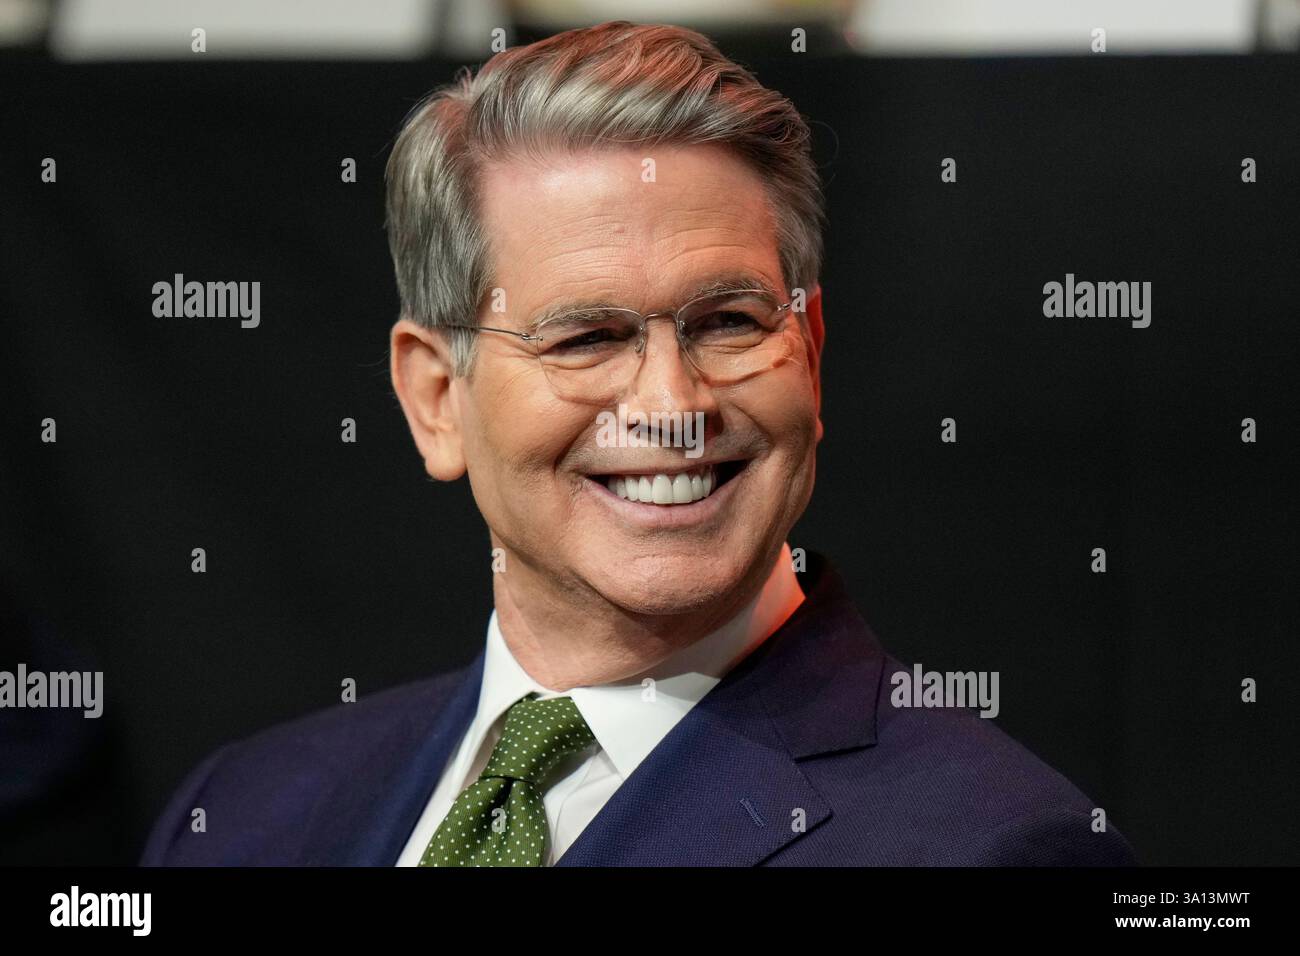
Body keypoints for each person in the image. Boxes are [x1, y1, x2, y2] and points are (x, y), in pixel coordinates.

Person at [141, 20, 1136, 867]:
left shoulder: (991, 847)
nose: (671, 401)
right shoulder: (238, 815)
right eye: (585, 336)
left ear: (812, 352)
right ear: (436, 396)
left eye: (730, 322)